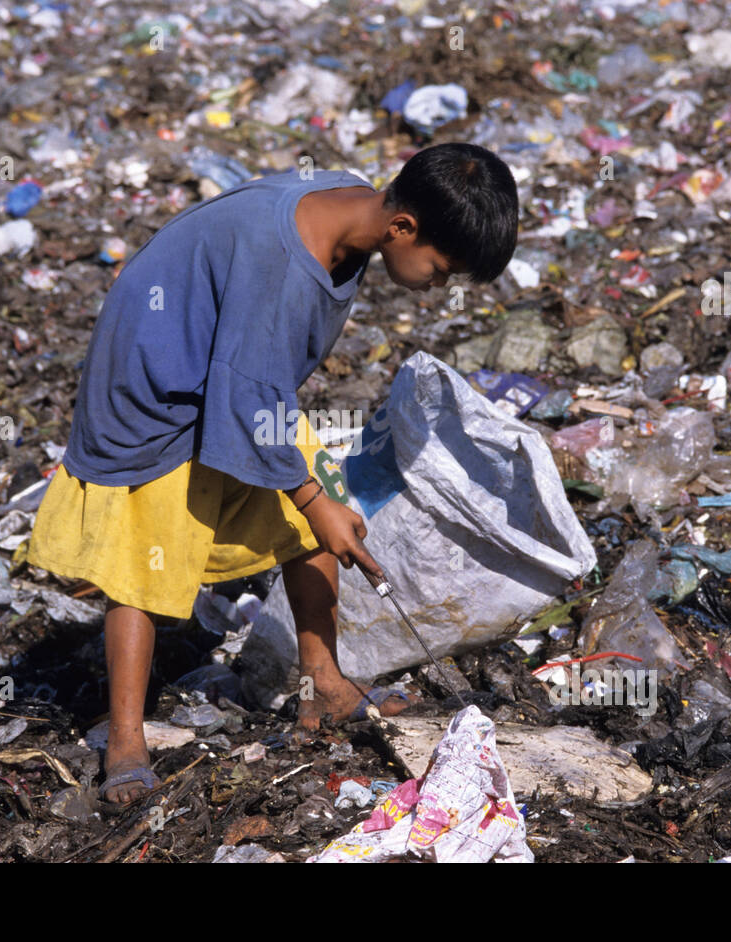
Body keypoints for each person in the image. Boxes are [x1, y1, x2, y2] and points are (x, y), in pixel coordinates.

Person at [28, 142, 520, 804]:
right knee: (146, 561)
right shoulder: (284, 269)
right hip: (156, 384)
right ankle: (125, 740)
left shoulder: (350, 202)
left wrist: (316, 499)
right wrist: (312, 498)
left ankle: (326, 684)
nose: (438, 284)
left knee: (318, 510)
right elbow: (242, 401)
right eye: (440, 268)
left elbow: (253, 388)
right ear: (402, 227)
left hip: (230, 371)